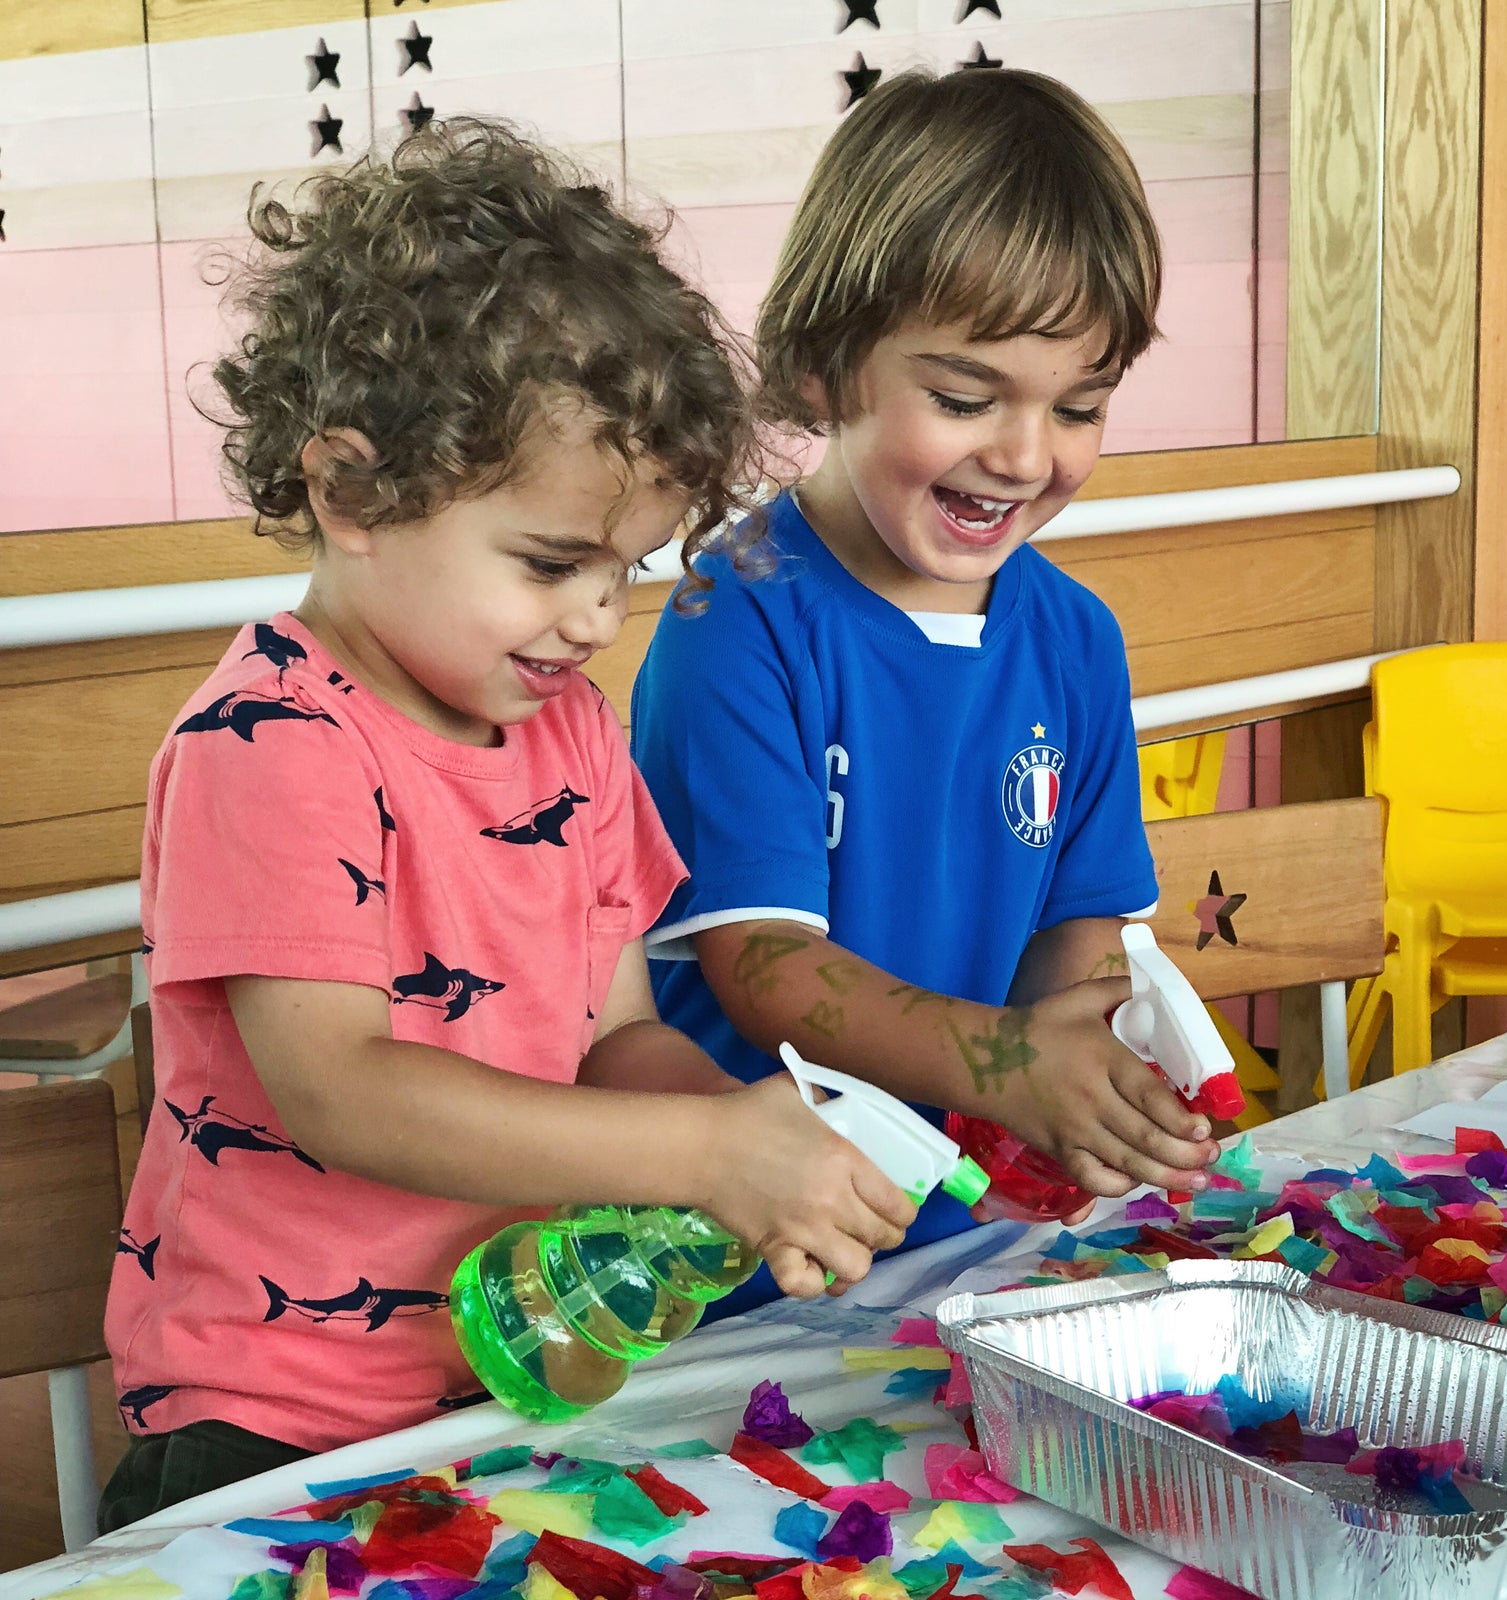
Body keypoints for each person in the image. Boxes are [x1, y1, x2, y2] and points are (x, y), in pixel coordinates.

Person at [101, 118, 913, 1530]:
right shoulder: (270, 745)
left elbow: (612, 1039)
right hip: (270, 1432)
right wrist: (705, 1159)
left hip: (522, 1380)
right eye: (550, 563)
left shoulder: (574, 737)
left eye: (624, 567)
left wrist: (752, 1143)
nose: (598, 619)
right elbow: (342, 1092)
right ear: (351, 489)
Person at [630, 69, 1219, 1319]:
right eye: (963, 398)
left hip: (958, 1258)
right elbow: (764, 966)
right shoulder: (733, 620)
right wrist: (1016, 1064)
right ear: (819, 368)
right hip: (745, 1272)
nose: (1021, 454)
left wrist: (1094, 1090)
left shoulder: (1074, 638)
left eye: (1080, 406)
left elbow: (1082, 929)